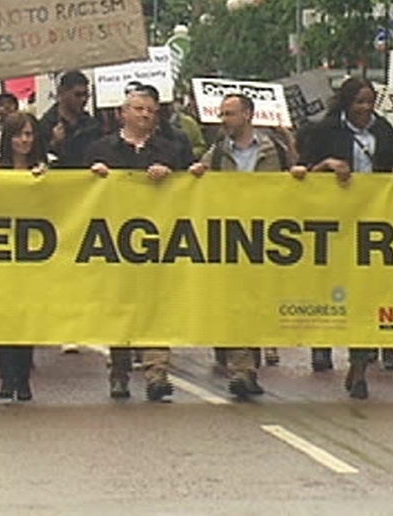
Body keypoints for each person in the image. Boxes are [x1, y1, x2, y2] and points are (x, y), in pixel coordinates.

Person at [296, 77, 393, 394]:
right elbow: (302, 173)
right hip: (331, 224)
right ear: (346, 103)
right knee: (329, 288)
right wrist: (326, 166)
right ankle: (322, 344)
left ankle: (358, 368)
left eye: (370, 101)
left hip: (371, 226)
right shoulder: (324, 131)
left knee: (364, 294)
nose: (365, 108)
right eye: (359, 101)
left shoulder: (383, 131)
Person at [86, 84, 186, 401]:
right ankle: (119, 370)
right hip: (114, 244)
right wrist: (94, 176)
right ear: (122, 113)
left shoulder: (170, 149)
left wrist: (171, 175)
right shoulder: (100, 149)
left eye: (151, 111)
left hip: (159, 243)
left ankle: (157, 371)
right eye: (139, 109)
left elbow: (191, 187)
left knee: (157, 307)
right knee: (121, 308)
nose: (145, 115)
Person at [189, 93, 293, 400]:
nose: (224, 120)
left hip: (266, 238)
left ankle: (249, 366)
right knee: (236, 302)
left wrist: (297, 174)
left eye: (230, 114)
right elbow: (198, 177)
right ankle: (242, 369)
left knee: (257, 303)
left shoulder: (274, 150)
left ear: (247, 114)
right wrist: (197, 173)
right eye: (222, 114)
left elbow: (295, 182)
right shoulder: (219, 152)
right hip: (231, 239)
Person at [0, 110, 48, 402]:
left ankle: (22, 379)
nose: (24, 140)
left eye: (29, 134)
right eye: (19, 134)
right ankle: (6, 377)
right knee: (1, 319)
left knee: (25, 319)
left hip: (32, 254)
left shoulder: (47, 169)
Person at [37, 71, 101, 169]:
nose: (83, 99)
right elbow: (39, 161)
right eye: (78, 95)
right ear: (62, 93)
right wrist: (54, 144)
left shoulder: (92, 125)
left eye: (86, 94)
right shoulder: (45, 125)